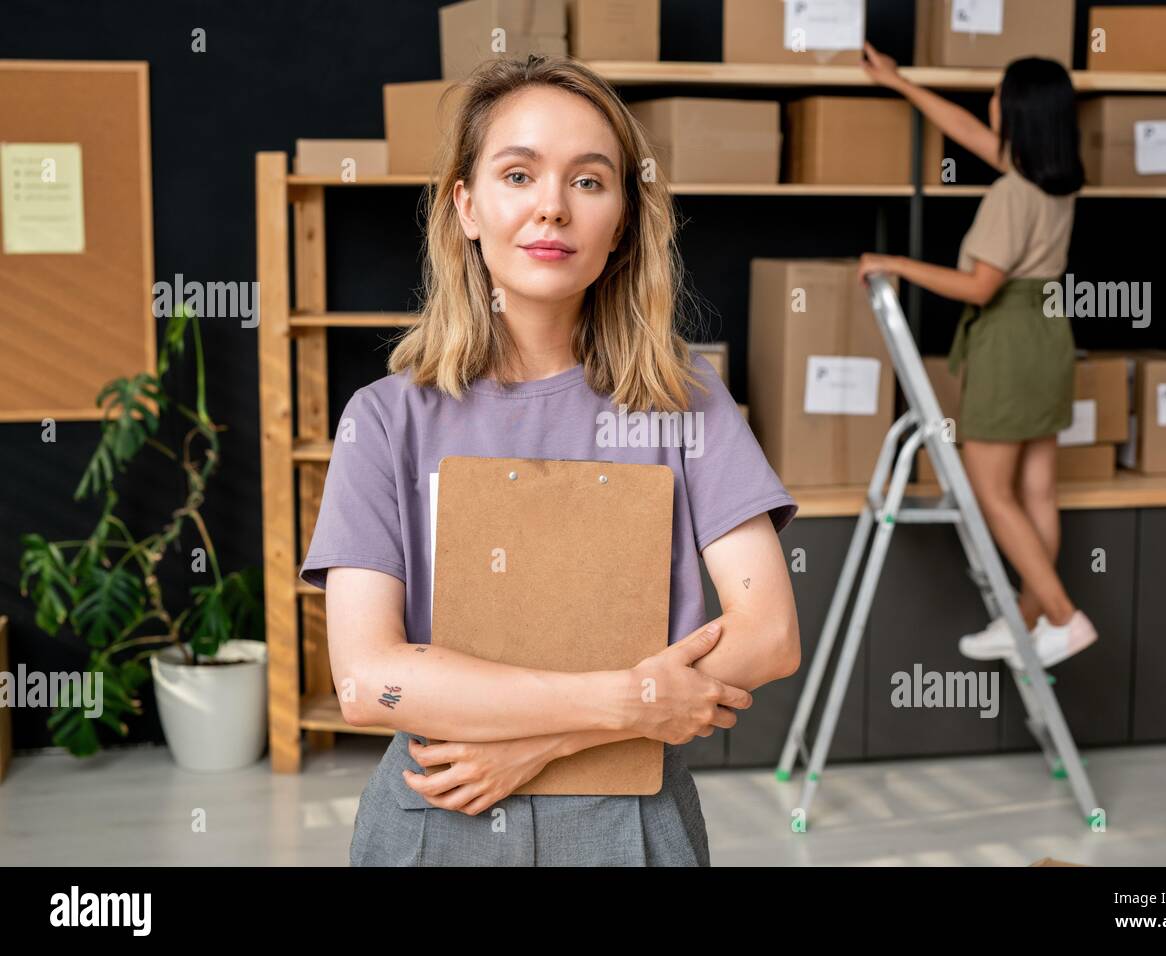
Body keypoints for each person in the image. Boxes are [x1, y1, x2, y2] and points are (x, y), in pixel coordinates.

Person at [299, 54, 801, 866]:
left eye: (589, 182)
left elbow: (770, 635)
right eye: (518, 174)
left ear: (626, 220)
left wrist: (541, 743)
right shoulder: (385, 420)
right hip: (436, 817)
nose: (552, 209)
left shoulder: (686, 402)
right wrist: (624, 701)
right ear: (465, 204)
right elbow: (367, 682)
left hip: (631, 823)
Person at [856, 42, 1097, 670]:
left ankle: (1064, 618)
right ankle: (1029, 622)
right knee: (1038, 491)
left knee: (993, 492)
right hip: (1049, 337)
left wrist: (894, 264)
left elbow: (981, 288)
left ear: (1015, 112)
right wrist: (900, 82)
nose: (987, 105)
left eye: (997, 96)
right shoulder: (1057, 179)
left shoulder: (1011, 195)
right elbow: (967, 131)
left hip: (1010, 341)